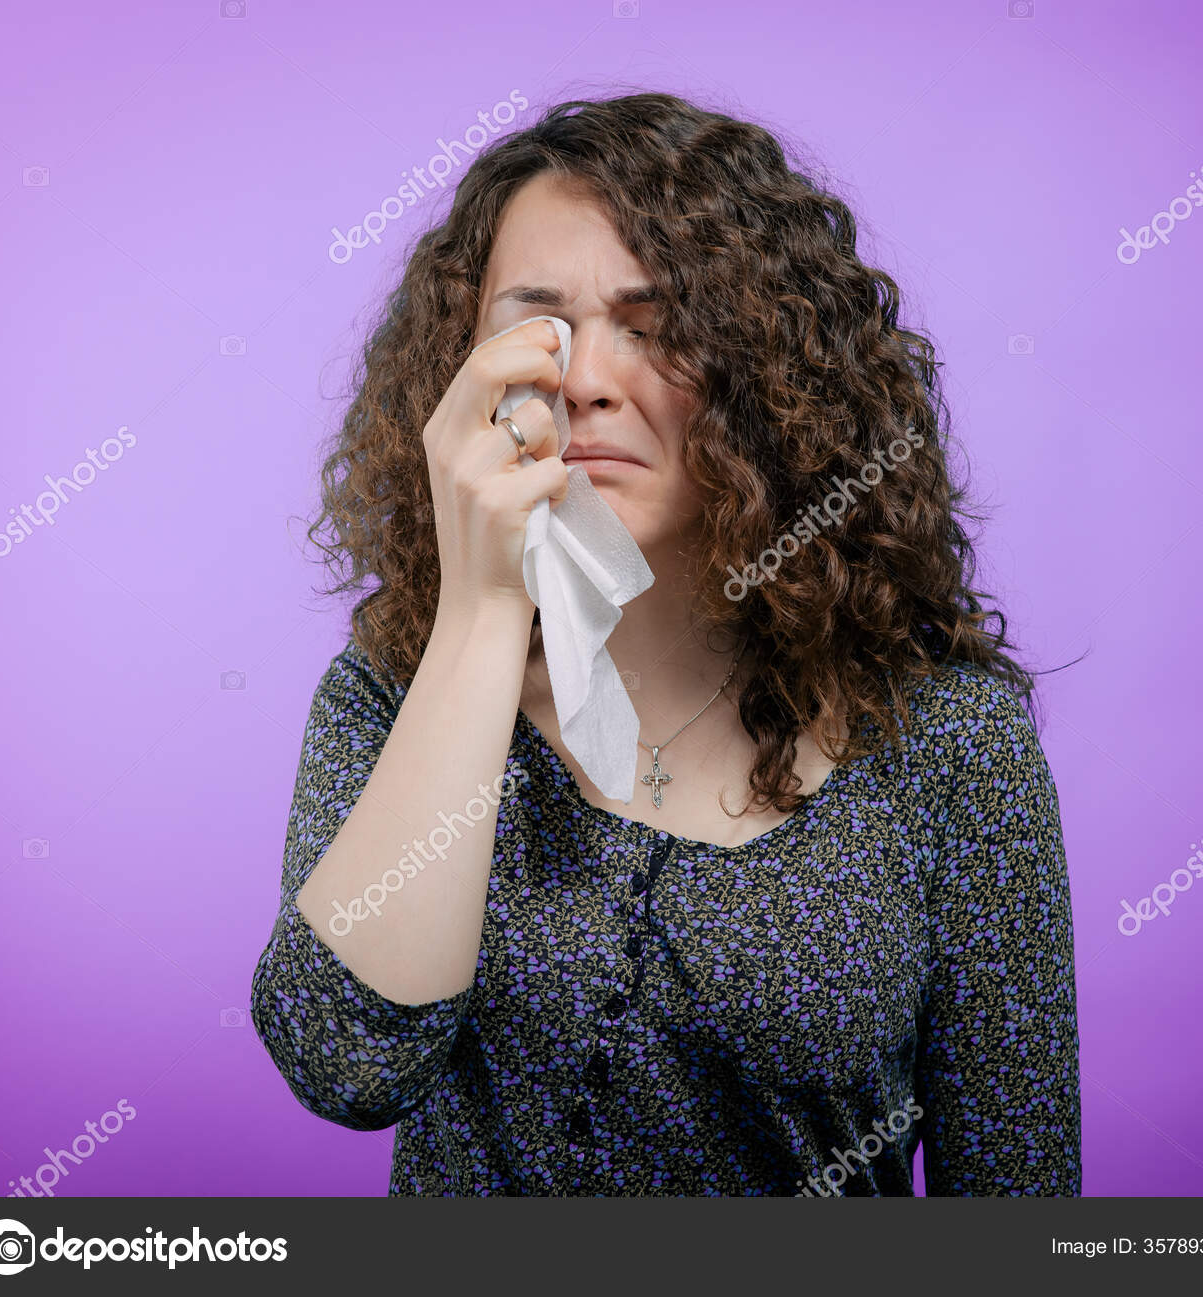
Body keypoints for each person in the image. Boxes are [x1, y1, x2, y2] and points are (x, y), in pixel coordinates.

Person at [251, 91, 1081, 1196]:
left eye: (656, 329)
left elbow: (1019, 1197)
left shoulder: (946, 743)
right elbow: (345, 1060)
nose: (586, 381)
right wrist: (482, 609)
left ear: (771, 372)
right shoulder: (390, 694)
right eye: (538, 328)